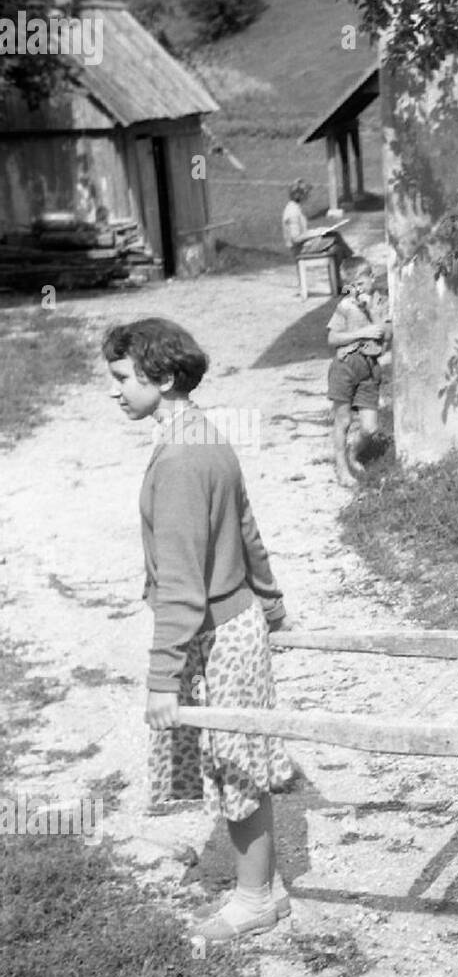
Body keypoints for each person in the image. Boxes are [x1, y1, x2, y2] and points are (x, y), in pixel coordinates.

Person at [105, 318, 297, 944]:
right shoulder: (204, 435)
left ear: (160, 379)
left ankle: (254, 900)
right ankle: (263, 883)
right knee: (235, 759)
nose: (115, 392)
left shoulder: (183, 461)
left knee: (236, 767)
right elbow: (248, 533)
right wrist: (270, 607)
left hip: (215, 634)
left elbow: (184, 587)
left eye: (122, 379)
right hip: (235, 622)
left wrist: (162, 680)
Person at [326, 256, 391, 486]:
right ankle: (342, 469)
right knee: (343, 420)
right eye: (353, 285)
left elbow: (387, 334)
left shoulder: (382, 301)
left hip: (369, 368)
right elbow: (332, 338)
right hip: (345, 366)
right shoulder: (346, 305)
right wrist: (360, 334)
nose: (358, 289)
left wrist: (371, 311)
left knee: (370, 427)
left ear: (372, 278)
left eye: (362, 283)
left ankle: (353, 453)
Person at [281, 178, 351, 259]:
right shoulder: (293, 212)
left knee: (334, 235)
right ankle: (350, 262)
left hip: (304, 245)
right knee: (335, 242)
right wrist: (316, 233)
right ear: (301, 195)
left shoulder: (295, 208)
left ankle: (350, 261)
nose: (309, 196)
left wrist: (319, 230)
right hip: (301, 249)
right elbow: (296, 238)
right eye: (307, 193)